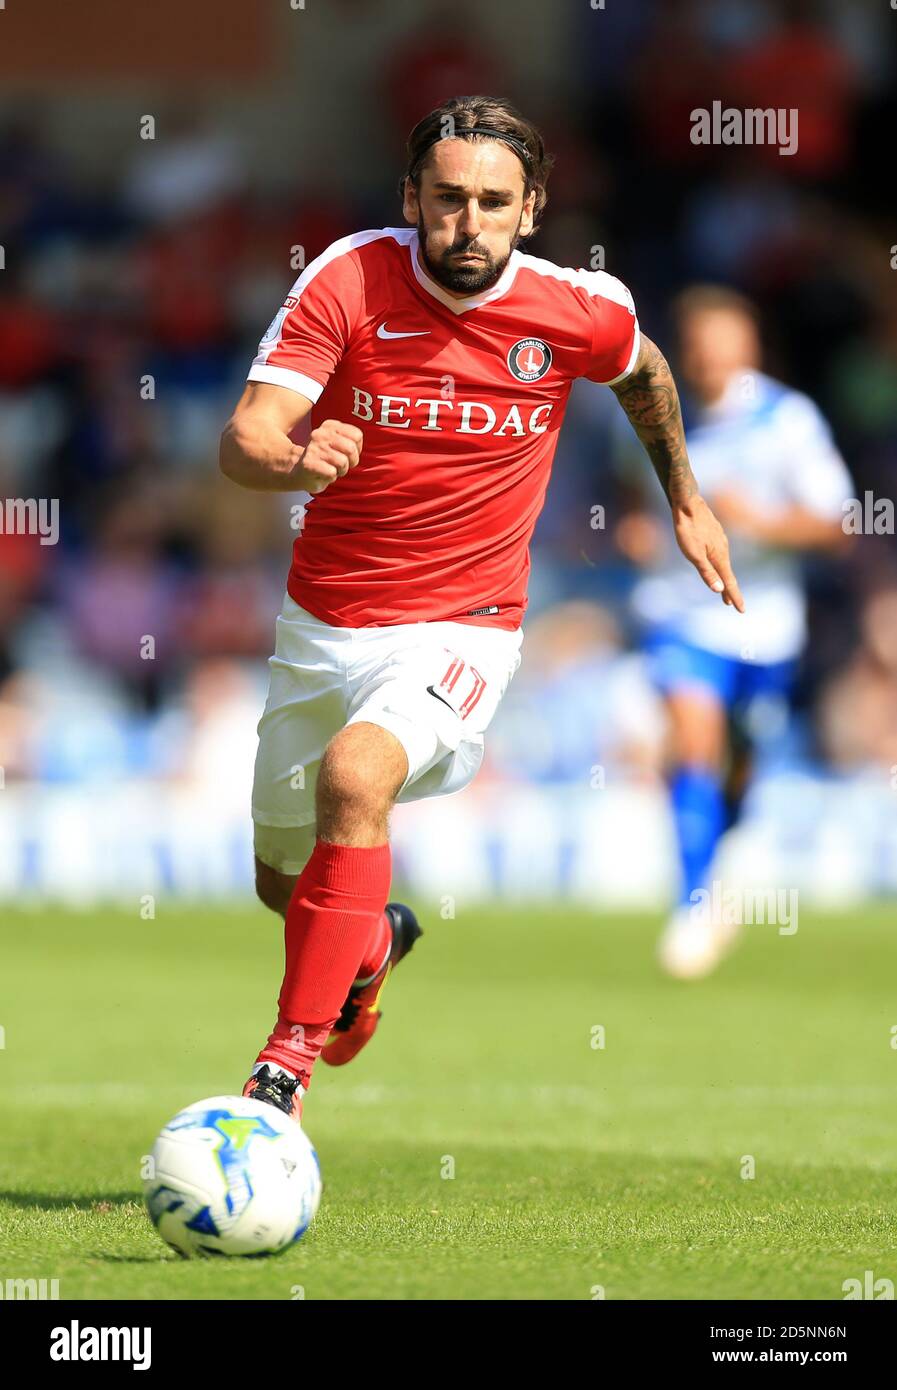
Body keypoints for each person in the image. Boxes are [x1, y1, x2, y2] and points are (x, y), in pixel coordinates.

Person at [219, 96, 742, 1121]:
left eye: (493, 202)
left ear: (532, 208)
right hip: (324, 626)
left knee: (355, 773)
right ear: (410, 196)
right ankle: (368, 948)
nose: (469, 222)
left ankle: (281, 1071)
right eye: (448, 199)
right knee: (286, 886)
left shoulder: (575, 306)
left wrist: (685, 495)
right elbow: (245, 437)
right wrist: (289, 456)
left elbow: (643, 370)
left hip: (465, 624)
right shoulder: (348, 278)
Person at [615, 285, 851, 979]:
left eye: (725, 343)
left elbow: (836, 524)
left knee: (740, 759)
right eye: (699, 345)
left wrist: (758, 522)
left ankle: (726, 863)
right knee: (693, 739)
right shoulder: (659, 413)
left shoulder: (787, 420)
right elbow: (635, 495)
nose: (710, 358)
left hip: (761, 623)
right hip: (678, 611)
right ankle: (691, 905)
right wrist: (632, 528)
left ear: (749, 347)